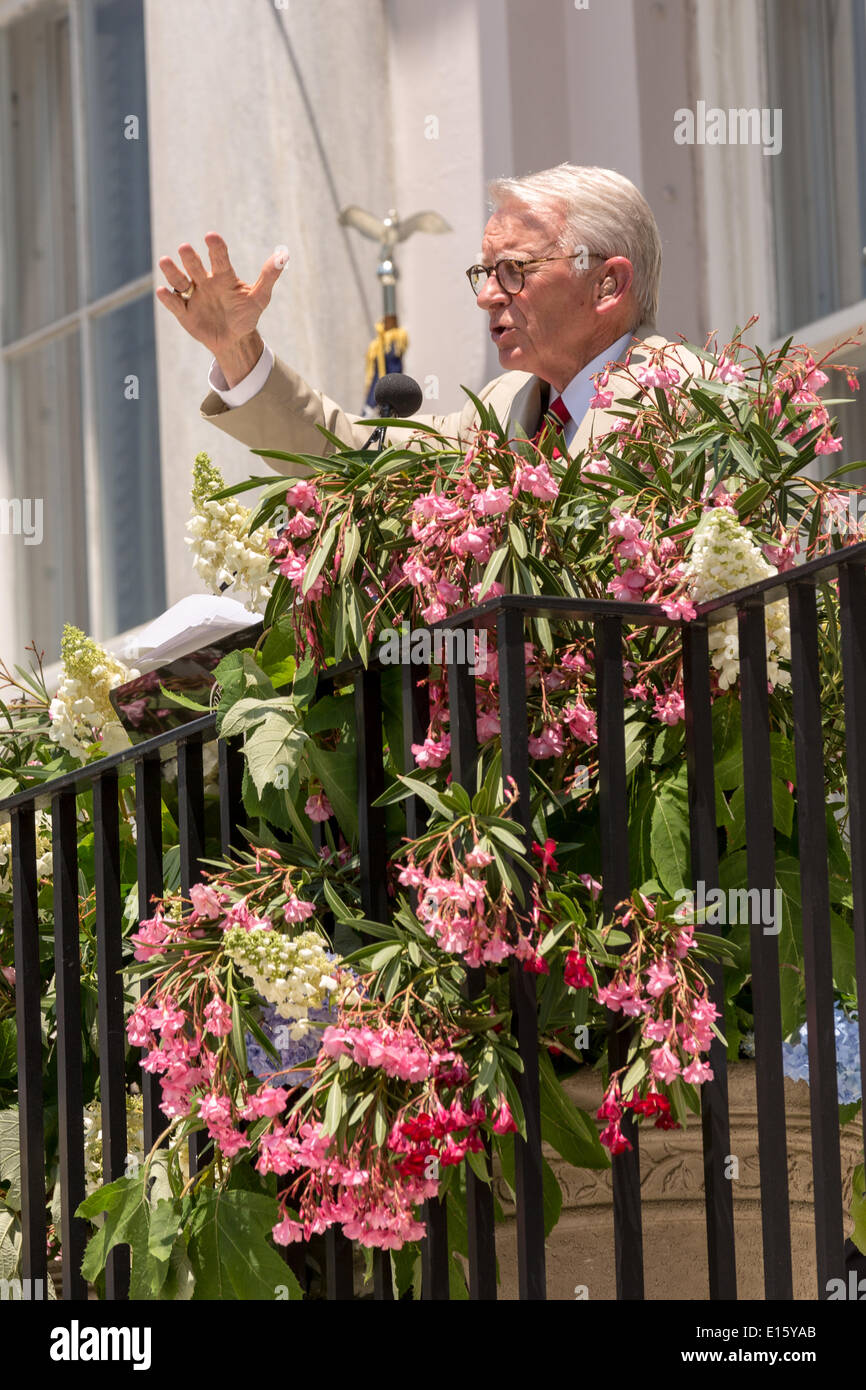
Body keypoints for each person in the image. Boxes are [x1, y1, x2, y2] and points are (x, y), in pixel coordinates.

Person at [156, 164, 691, 474]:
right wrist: (237, 349)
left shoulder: (691, 400)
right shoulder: (504, 408)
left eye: (513, 270)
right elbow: (356, 459)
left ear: (607, 284)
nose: (486, 296)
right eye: (483, 272)